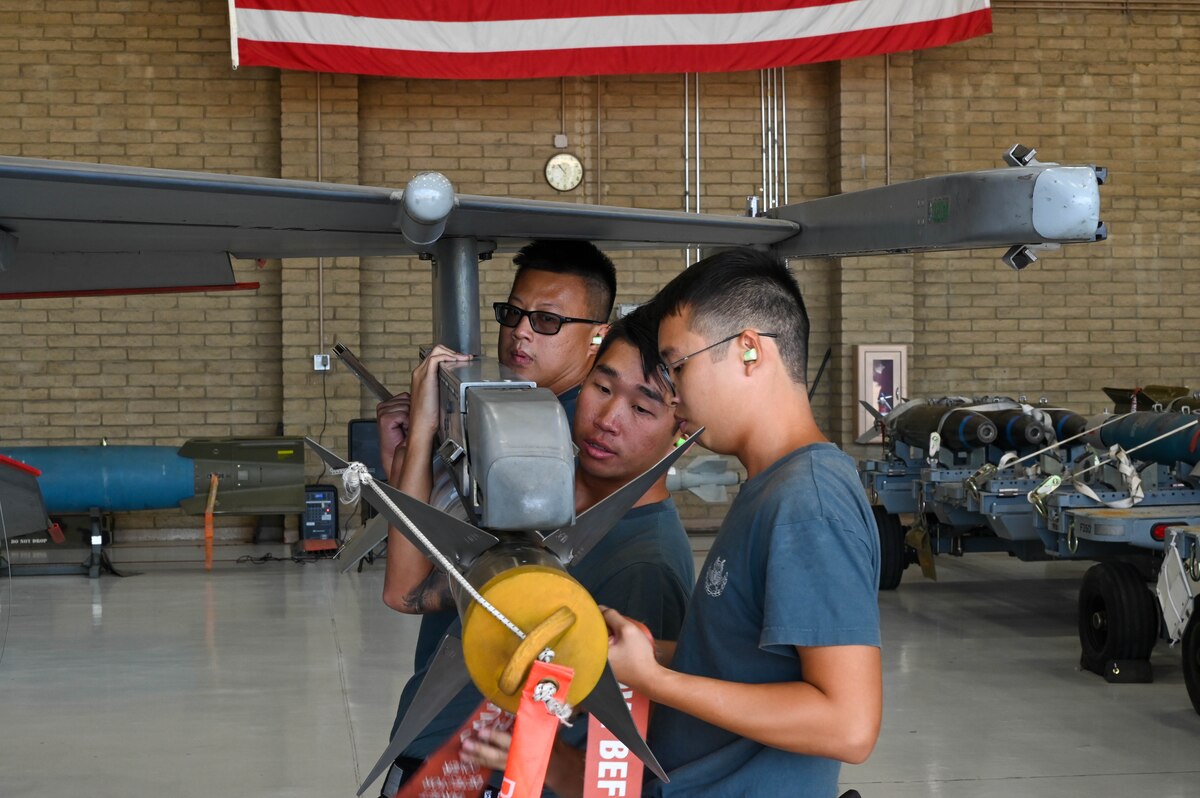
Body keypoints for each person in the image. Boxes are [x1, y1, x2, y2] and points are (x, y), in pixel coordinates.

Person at [596, 248, 883, 797]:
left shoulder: (808, 502)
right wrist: (645, 652)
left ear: (749, 350)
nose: (673, 395)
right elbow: (746, 666)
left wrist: (656, 681)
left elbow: (848, 725)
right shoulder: (770, 487)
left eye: (679, 366)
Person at [379, 304, 694, 798]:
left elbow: (620, 769)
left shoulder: (645, 569)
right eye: (603, 387)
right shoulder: (538, 495)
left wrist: (536, 759)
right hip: (435, 765)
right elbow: (411, 585)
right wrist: (412, 449)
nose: (608, 419)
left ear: (683, 432)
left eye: (642, 408)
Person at [375, 239, 617, 701]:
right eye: (513, 313)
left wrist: (423, 430)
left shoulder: (553, 439)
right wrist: (405, 465)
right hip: (455, 670)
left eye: (548, 320)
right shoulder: (504, 404)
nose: (520, 332)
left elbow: (404, 589)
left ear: (598, 335)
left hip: (490, 700)